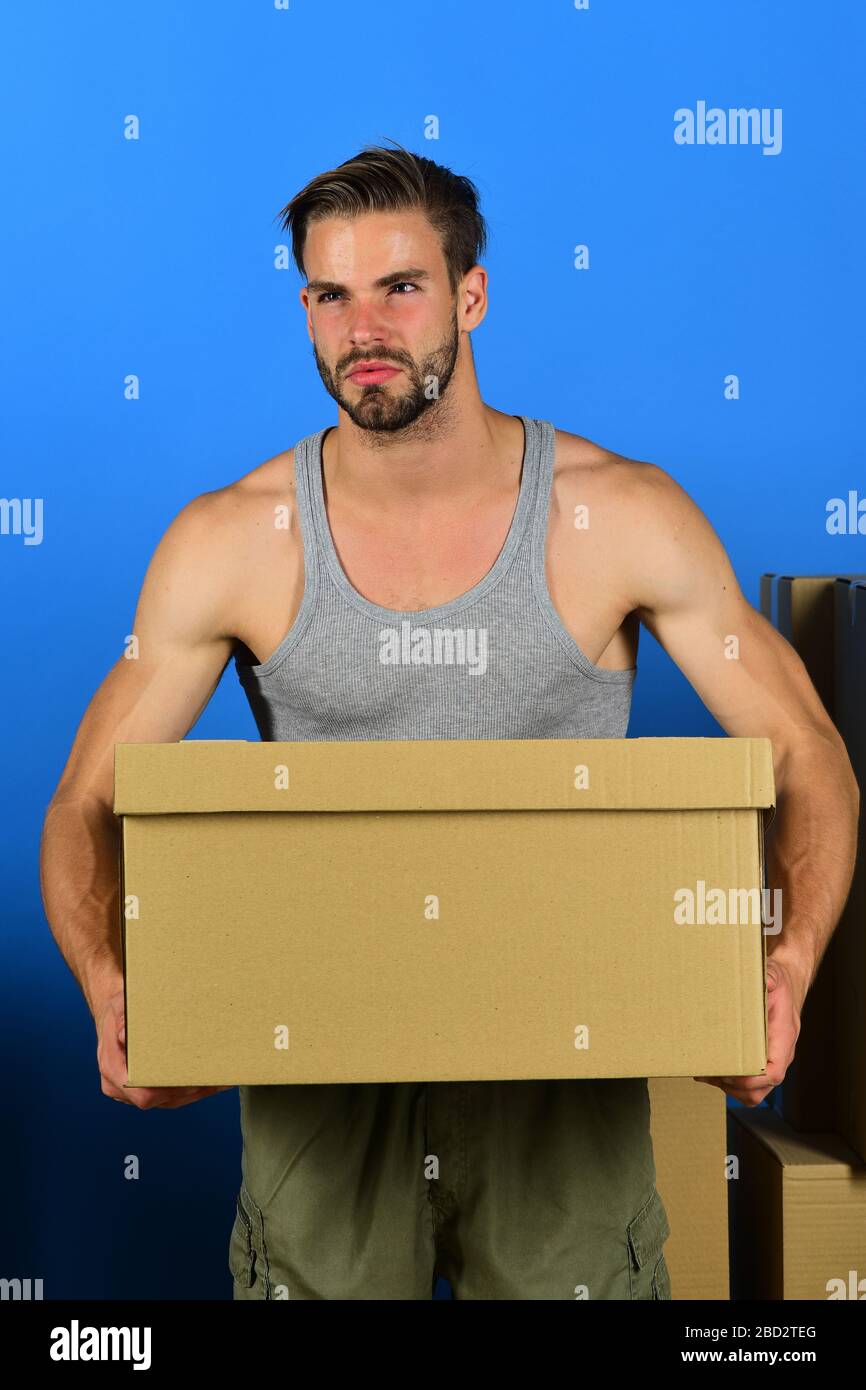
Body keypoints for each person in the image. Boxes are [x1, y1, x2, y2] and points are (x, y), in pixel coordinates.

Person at [40, 142, 859, 1300]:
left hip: (563, 1070)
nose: (361, 327)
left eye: (399, 287)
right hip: (320, 1070)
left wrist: (785, 959)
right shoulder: (231, 542)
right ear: (304, 310)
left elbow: (806, 752)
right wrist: (107, 979)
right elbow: (85, 799)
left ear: (469, 295)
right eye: (329, 294)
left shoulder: (614, 517)